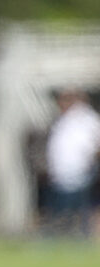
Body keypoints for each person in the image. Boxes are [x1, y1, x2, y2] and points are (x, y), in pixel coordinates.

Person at [44, 88, 100, 237]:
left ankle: (81, 235)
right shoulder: (64, 120)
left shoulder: (86, 119)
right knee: (62, 209)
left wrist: (89, 165)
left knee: (79, 209)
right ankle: (65, 235)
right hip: (63, 174)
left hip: (81, 172)